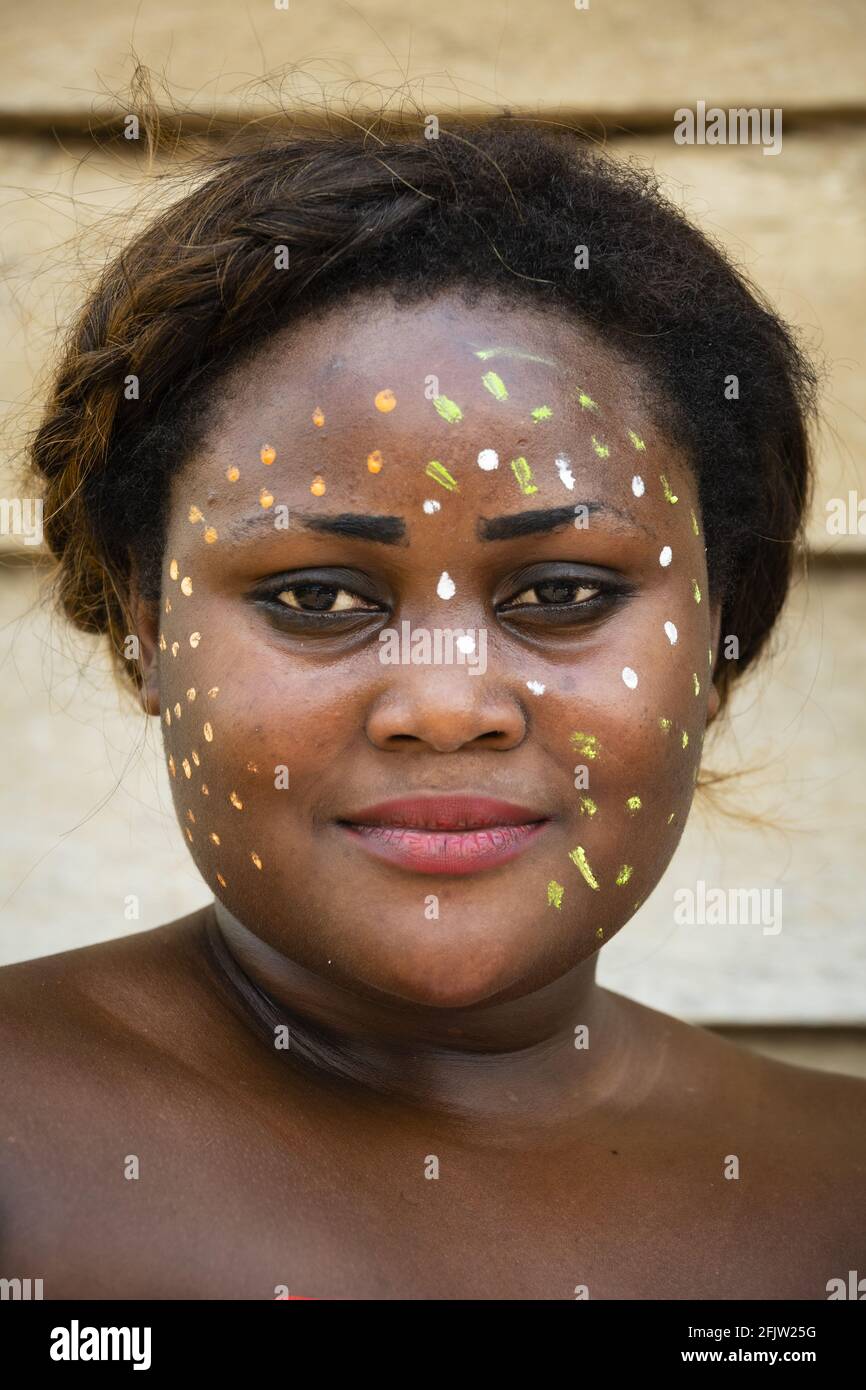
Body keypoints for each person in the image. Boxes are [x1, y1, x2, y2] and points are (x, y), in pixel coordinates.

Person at [1, 120, 862, 1300]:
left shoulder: (836, 1192)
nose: (447, 705)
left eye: (561, 593)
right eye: (315, 595)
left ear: (722, 636)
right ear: (147, 627)